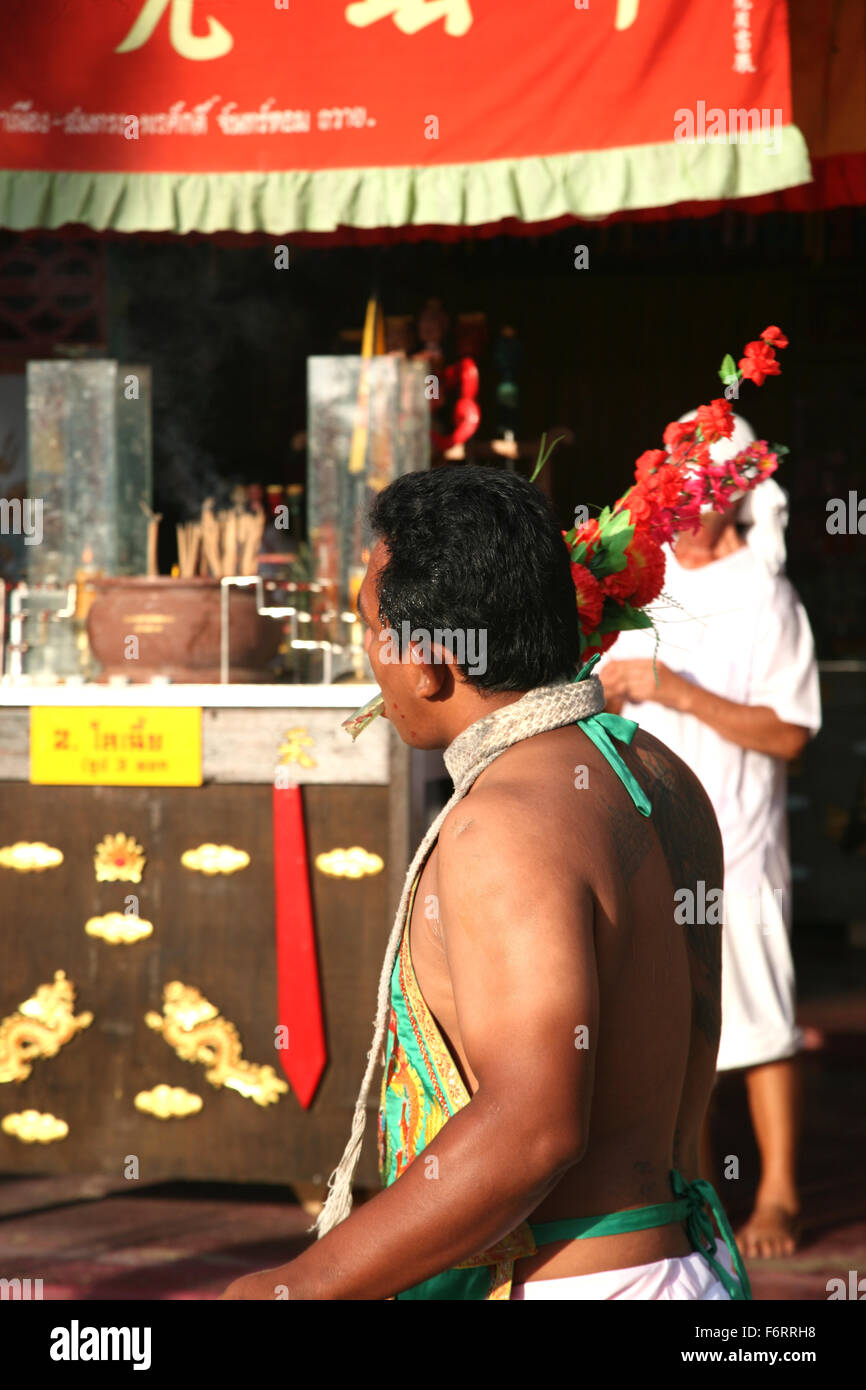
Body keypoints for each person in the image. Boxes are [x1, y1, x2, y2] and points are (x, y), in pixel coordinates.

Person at [222, 465, 750, 1301]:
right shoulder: (657, 772)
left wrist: (302, 1285)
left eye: (369, 627)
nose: (369, 656)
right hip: (685, 1264)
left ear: (430, 663)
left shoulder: (503, 824)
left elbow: (532, 1129)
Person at [600, 413, 821, 1261]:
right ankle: (692, 1187)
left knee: (761, 1015)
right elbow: (612, 691)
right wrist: (619, 693)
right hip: (653, 835)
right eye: (675, 494)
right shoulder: (647, 590)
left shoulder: (770, 598)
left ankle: (781, 1195)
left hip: (741, 835)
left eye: (699, 495)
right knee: (670, 1015)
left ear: (733, 497)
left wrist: (678, 691)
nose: (686, 510)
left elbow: (791, 735)